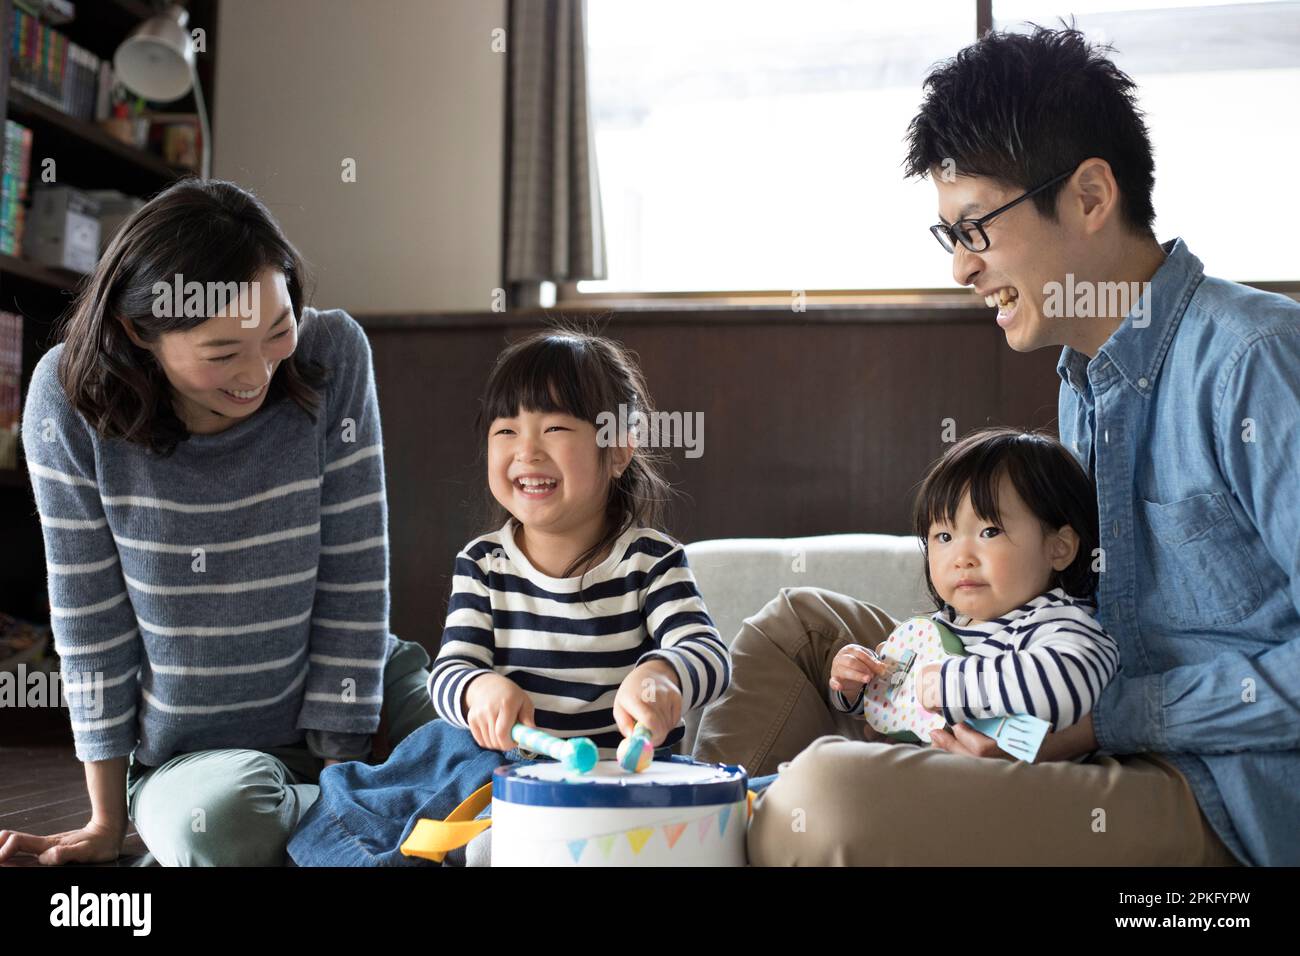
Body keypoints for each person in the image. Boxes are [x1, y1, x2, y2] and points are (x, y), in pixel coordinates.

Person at [695, 25, 1298, 866]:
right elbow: (1065, 603)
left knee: (828, 796)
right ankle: (684, 814)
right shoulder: (1082, 381)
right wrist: (945, 673)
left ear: (1090, 196)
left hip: (1211, 788)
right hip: (1063, 697)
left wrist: (1095, 722)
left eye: (975, 228)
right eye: (949, 238)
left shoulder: (1252, 361)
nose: (961, 269)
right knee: (802, 627)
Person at [0, 179, 436, 867]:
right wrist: (106, 823)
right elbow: (90, 622)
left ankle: (358, 806)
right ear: (138, 331)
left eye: (276, 331)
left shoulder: (333, 355)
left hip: (355, 693)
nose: (259, 370)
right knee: (220, 827)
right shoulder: (65, 400)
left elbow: (356, 572)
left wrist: (339, 762)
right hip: (192, 759)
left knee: (491, 743)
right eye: (222, 351)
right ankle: (396, 810)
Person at [287, 328, 731, 866]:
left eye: (555, 427)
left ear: (617, 451)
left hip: (621, 789)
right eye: (506, 430)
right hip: (508, 773)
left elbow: (709, 654)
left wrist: (665, 673)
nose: (526, 450)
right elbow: (449, 671)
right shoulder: (484, 564)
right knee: (440, 760)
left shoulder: (651, 560)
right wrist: (479, 690)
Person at [828, 427, 1119, 737]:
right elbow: (898, 707)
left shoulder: (1058, 622)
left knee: (826, 767)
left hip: (988, 778)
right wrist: (856, 688)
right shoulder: (943, 626)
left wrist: (946, 683)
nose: (962, 557)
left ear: (1058, 547)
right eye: (944, 536)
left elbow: (1066, 684)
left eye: (989, 532)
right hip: (916, 764)